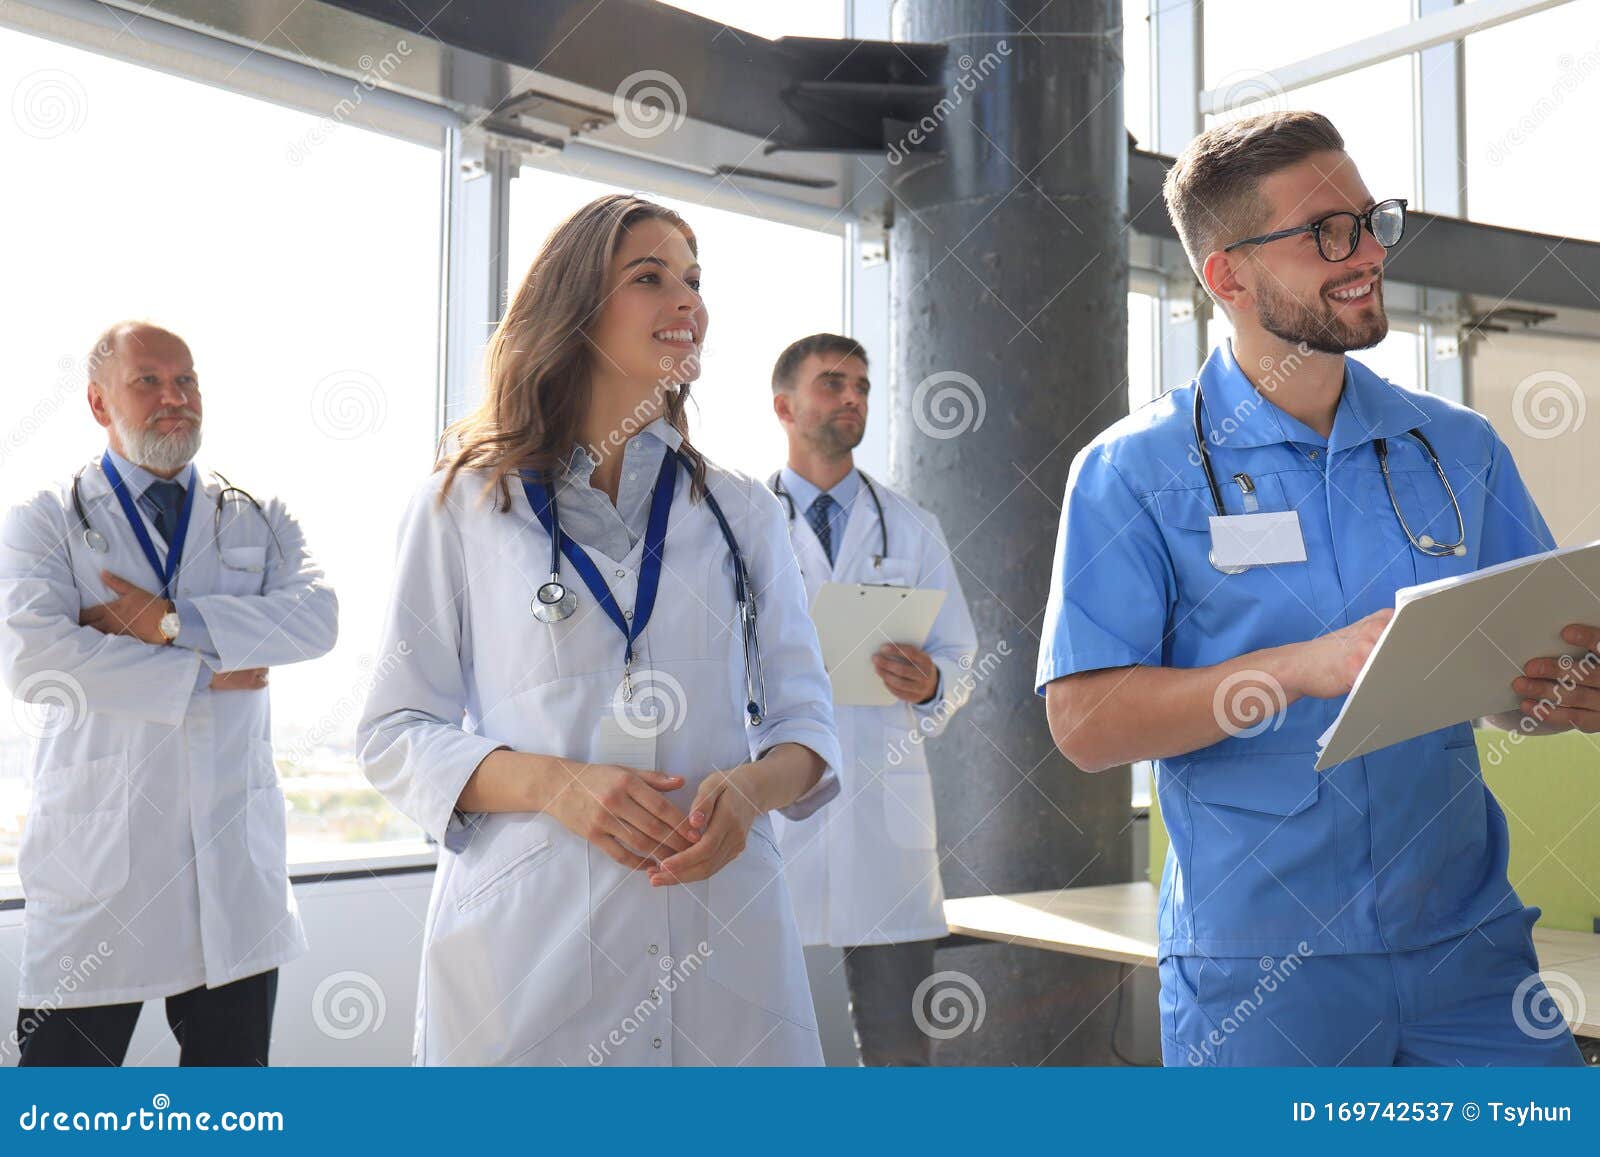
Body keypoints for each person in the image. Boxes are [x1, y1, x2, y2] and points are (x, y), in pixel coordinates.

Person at [1037, 112, 1594, 1066]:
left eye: (1371, 220)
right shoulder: (1134, 470)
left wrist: (1565, 695)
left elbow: (1521, 682)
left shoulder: (1455, 446)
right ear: (1228, 275)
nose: (1368, 252)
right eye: (1326, 233)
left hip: (1470, 954)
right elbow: (1086, 724)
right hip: (1264, 972)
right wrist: (1301, 668)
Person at [357, 194, 842, 1066]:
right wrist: (556, 785)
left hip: (723, 943)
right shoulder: (464, 505)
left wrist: (751, 792)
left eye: (694, 280)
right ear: (574, 308)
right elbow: (394, 733)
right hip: (527, 955)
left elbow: (807, 723)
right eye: (649, 278)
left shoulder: (740, 512)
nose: (687, 300)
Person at [0, 321, 338, 1066]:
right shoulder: (46, 518)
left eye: (185, 381)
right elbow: (36, 659)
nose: (173, 398)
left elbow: (316, 621)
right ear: (98, 402)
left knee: (229, 1100)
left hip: (231, 863)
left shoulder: (255, 512)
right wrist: (205, 671)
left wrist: (163, 621)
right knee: (60, 1096)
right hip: (100, 868)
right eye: (147, 381)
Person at [765, 334, 977, 1065]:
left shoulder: (912, 526)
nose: (852, 397)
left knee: (899, 1050)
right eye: (832, 384)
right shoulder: (738, 528)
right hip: (771, 809)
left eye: (861, 384)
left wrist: (934, 683)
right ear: (784, 406)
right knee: (759, 1040)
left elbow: (960, 654)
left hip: (885, 818)